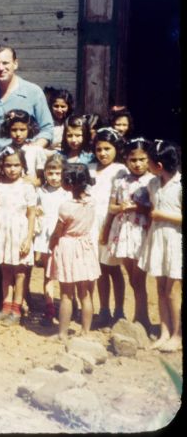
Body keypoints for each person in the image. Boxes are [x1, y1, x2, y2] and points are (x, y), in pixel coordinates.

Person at [0, 145, 37, 326]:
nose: (12, 169)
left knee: (20, 272)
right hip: (1, 230)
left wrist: (28, 238)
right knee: (5, 270)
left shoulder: (27, 187)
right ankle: (6, 306)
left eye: (16, 165)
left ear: (22, 165)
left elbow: (31, 214)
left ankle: (17, 308)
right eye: (7, 165)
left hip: (19, 232)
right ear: (1, 165)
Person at [106, 137, 154, 329]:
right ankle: (138, 317)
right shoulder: (120, 180)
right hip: (124, 231)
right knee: (132, 278)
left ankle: (143, 318)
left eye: (142, 159)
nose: (138, 164)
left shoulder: (153, 181)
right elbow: (111, 206)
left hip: (143, 232)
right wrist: (120, 207)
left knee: (140, 278)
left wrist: (139, 207)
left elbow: (154, 210)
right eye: (133, 160)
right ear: (126, 159)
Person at [48, 162, 99, 341]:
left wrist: (51, 243)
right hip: (84, 246)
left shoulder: (66, 206)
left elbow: (58, 231)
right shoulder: (91, 201)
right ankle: (85, 332)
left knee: (66, 294)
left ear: (68, 183)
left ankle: (62, 333)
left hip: (68, 248)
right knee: (85, 294)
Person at [138, 140, 182, 352]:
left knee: (173, 290)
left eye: (148, 161)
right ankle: (165, 331)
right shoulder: (153, 184)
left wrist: (162, 215)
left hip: (176, 240)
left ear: (159, 165)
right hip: (158, 239)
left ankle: (178, 334)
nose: (145, 164)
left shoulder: (180, 185)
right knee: (161, 288)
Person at [90, 128, 131, 327]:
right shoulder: (89, 168)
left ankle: (120, 311)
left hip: (111, 224)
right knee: (99, 270)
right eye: (99, 149)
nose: (103, 153)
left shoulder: (120, 170)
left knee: (113, 268)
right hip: (91, 224)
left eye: (107, 148)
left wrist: (106, 228)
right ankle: (104, 310)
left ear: (116, 149)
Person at [0, 45, 54, 148]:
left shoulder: (33, 92)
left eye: (5, 63)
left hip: (18, 158)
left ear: (15, 64)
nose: (0, 68)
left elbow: (47, 129)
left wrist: (32, 149)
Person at [32, 155, 69, 326]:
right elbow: (35, 210)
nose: (54, 177)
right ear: (45, 173)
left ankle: (67, 307)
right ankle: (49, 307)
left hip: (63, 236)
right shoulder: (40, 191)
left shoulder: (68, 192)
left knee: (64, 273)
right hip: (45, 237)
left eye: (58, 173)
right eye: (51, 173)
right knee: (48, 273)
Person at [0, 109, 46, 186]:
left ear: (29, 129)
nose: (18, 134)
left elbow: (42, 178)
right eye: (14, 130)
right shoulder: (2, 150)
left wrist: (33, 183)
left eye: (22, 130)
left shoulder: (36, 150)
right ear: (8, 130)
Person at [46, 88, 74, 153]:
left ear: (69, 107)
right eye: (56, 106)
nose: (59, 110)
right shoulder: (46, 123)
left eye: (63, 106)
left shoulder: (72, 123)